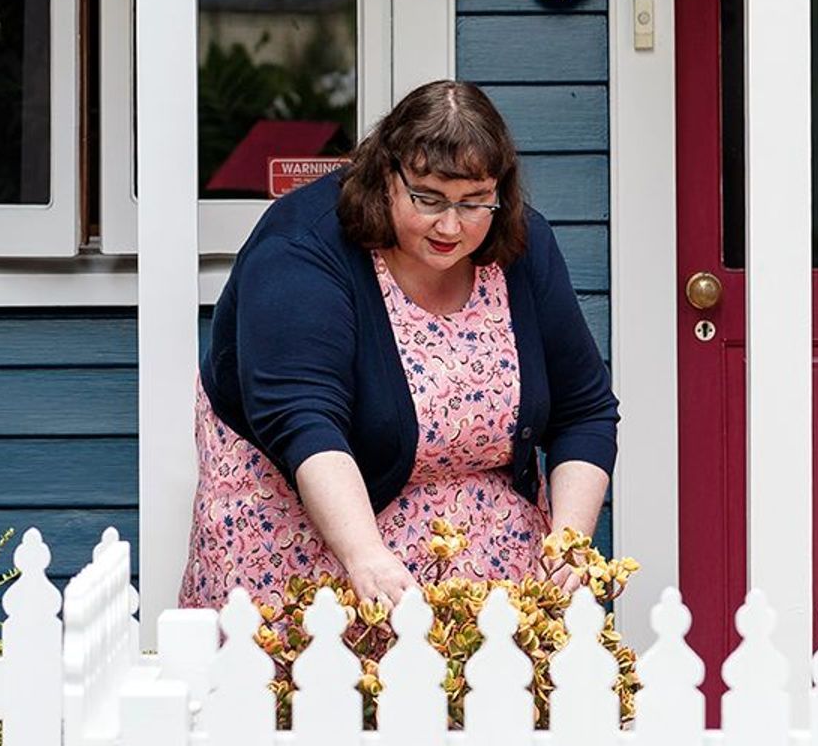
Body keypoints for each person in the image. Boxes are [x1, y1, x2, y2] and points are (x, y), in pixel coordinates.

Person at [179, 78, 617, 612]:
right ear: (386, 176)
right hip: (310, 537)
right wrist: (366, 555)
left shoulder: (519, 243)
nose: (451, 225)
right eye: (428, 199)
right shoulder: (302, 248)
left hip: (488, 562)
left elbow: (584, 411)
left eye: (475, 202)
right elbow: (304, 421)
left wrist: (566, 547)